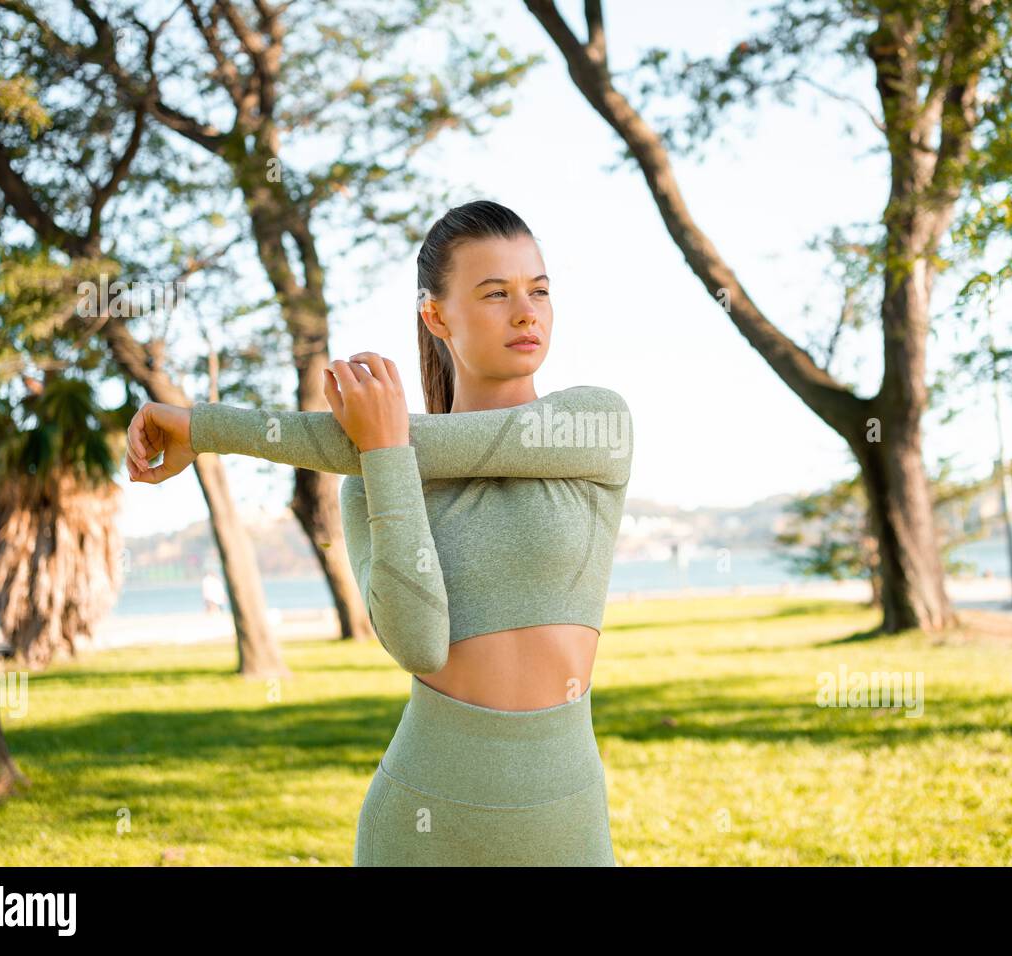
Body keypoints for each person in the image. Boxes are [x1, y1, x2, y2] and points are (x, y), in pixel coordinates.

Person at [123, 200, 633, 866]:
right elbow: (421, 645)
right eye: (495, 293)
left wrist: (204, 426)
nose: (526, 312)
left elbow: (443, 443)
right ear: (436, 314)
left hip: (567, 824)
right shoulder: (374, 479)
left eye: (538, 290)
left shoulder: (595, 425)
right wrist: (381, 458)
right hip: (421, 824)